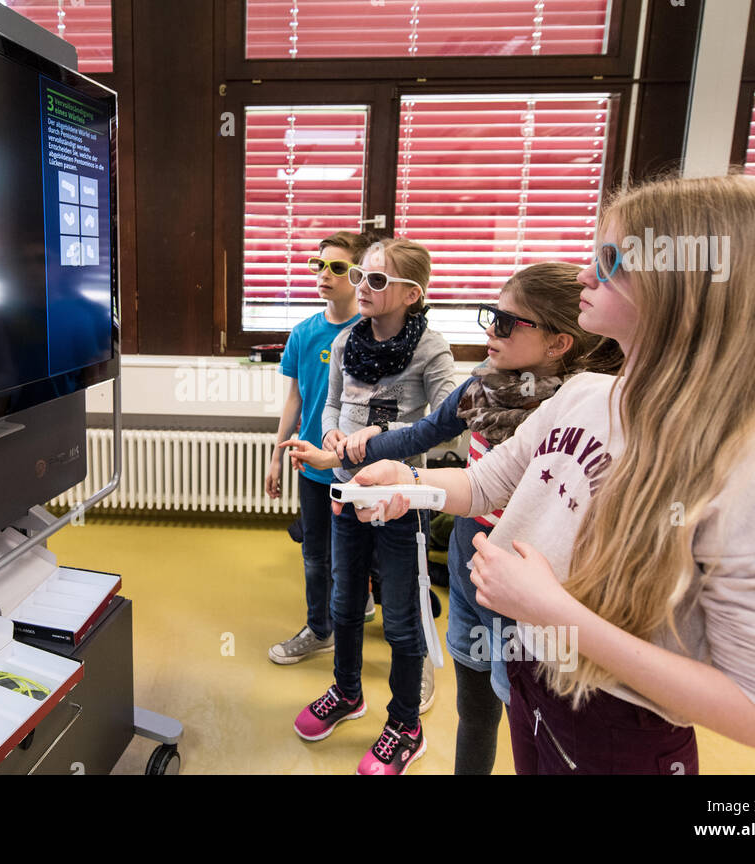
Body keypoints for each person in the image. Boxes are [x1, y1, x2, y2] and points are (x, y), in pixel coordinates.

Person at [343, 173, 755, 774]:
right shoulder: (584, 397)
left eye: (608, 260)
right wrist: (405, 484)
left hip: (619, 736)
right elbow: (485, 485)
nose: (582, 277)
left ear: (684, 287)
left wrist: (553, 610)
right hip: (533, 683)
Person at [287, 261, 622, 774]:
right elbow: (420, 438)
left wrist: (395, 477)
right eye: (491, 315)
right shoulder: (482, 385)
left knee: (533, 722)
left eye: (508, 323)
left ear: (558, 345)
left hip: (532, 590)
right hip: (472, 568)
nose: (491, 330)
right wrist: (341, 458)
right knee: (476, 712)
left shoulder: (577, 410)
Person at [287, 238, 454, 775]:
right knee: (344, 605)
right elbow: (333, 402)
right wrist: (334, 432)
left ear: (411, 294)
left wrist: (380, 437)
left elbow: (447, 418)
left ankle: (406, 724)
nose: (361, 287)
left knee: (402, 620)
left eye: (376, 281)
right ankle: (348, 693)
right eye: (360, 275)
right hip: (345, 494)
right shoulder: (346, 341)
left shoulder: (431, 348)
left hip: (398, 502)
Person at [266, 231, 372, 665]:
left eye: (337, 267)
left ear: (360, 275)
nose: (324, 275)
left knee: (359, 555)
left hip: (360, 468)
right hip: (312, 465)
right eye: (319, 264)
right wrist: (275, 456)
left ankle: (359, 604)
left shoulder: (372, 334)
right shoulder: (304, 333)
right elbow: (294, 399)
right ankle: (319, 628)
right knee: (314, 556)